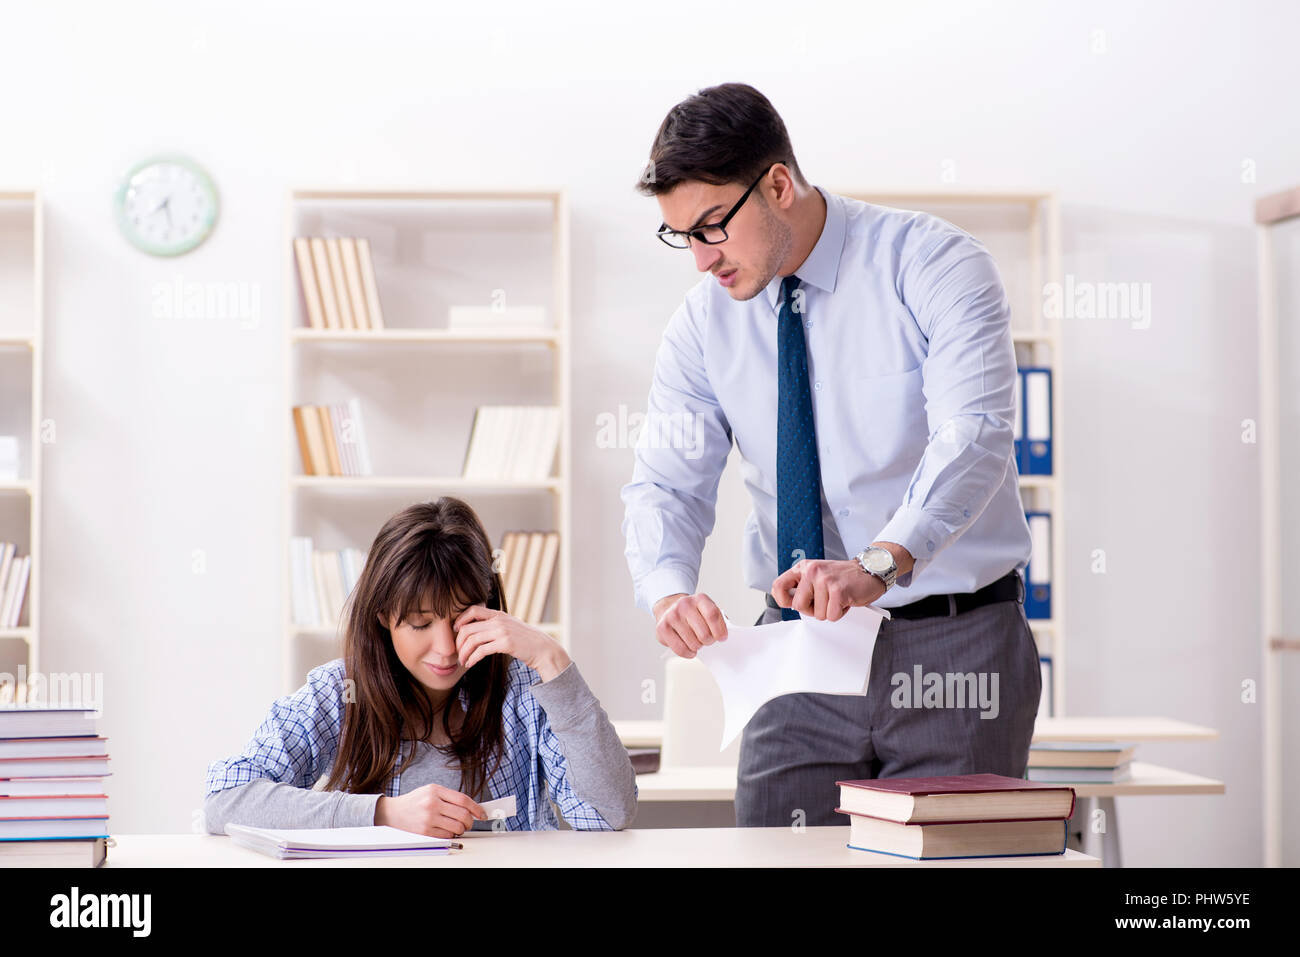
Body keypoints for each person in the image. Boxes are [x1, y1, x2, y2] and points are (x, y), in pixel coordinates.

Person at [621, 82, 1039, 827]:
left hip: (955, 645)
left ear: (778, 183)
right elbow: (664, 481)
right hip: (800, 650)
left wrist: (876, 562)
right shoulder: (702, 325)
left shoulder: (932, 264)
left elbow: (972, 434)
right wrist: (666, 589)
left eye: (712, 226)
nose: (699, 259)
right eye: (680, 234)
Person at [205, 497, 637, 836]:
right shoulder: (341, 692)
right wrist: (382, 813)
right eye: (420, 623)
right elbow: (226, 798)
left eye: (462, 617)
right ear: (382, 617)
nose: (446, 648)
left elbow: (609, 813)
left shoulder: (525, 687)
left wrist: (552, 658)